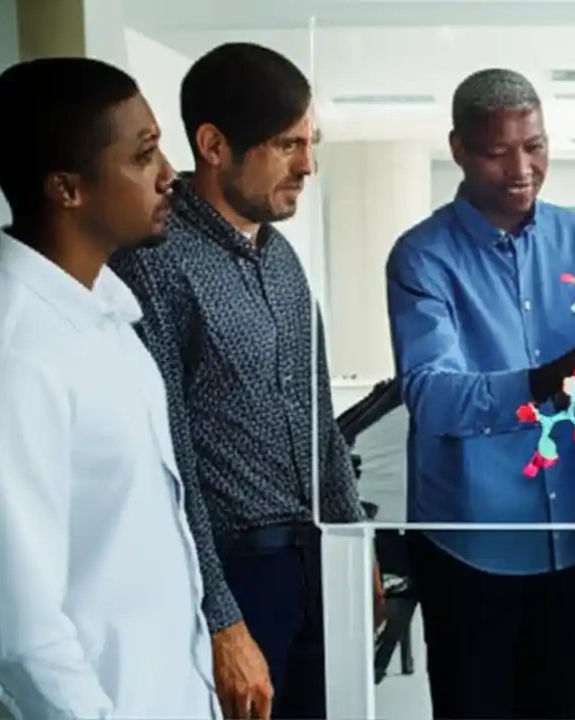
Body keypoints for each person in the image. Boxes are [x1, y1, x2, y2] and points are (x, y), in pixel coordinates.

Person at [108, 43, 378, 720]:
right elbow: (167, 459)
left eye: (309, 142)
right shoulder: (154, 264)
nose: (308, 165)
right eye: (287, 145)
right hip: (233, 574)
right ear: (214, 145)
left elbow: (319, 422)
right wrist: (221, 618)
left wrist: (354, 545)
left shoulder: (282, 259)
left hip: (314, 563)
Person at [386, 68, 575, 719]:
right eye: (497, 150)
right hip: (473, 547)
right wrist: (543, 380)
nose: (522, 166)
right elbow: (432, 396)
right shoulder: (422, 258)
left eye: (534, 144)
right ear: (459, 149)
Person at [0, 58, 219, 719]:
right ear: (66, 188)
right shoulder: (5, 355)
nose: (170, 174)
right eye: (144, 156)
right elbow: (17, 637)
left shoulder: (109, 314)